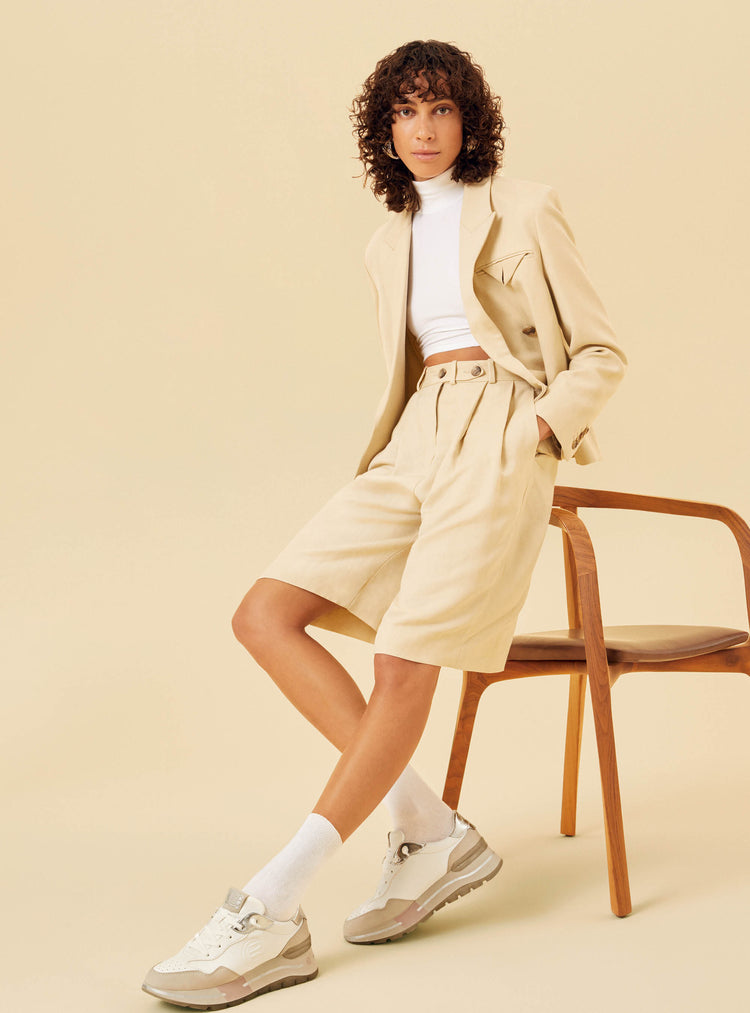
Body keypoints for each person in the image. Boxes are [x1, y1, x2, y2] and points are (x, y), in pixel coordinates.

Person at [142, 38, 626, 1009]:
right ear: (384, 130)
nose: (424, 128)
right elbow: (411, 365)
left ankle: (274, 902)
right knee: (265, 613)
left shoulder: (527, 207)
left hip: (501, 427)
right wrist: (416, 441)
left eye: (441, 109)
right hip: (413, 436)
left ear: (469, 120)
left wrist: (536, 430)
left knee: (404, 660)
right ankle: (430, 828)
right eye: (405, 112)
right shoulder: (386, 242)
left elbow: (601, 352)